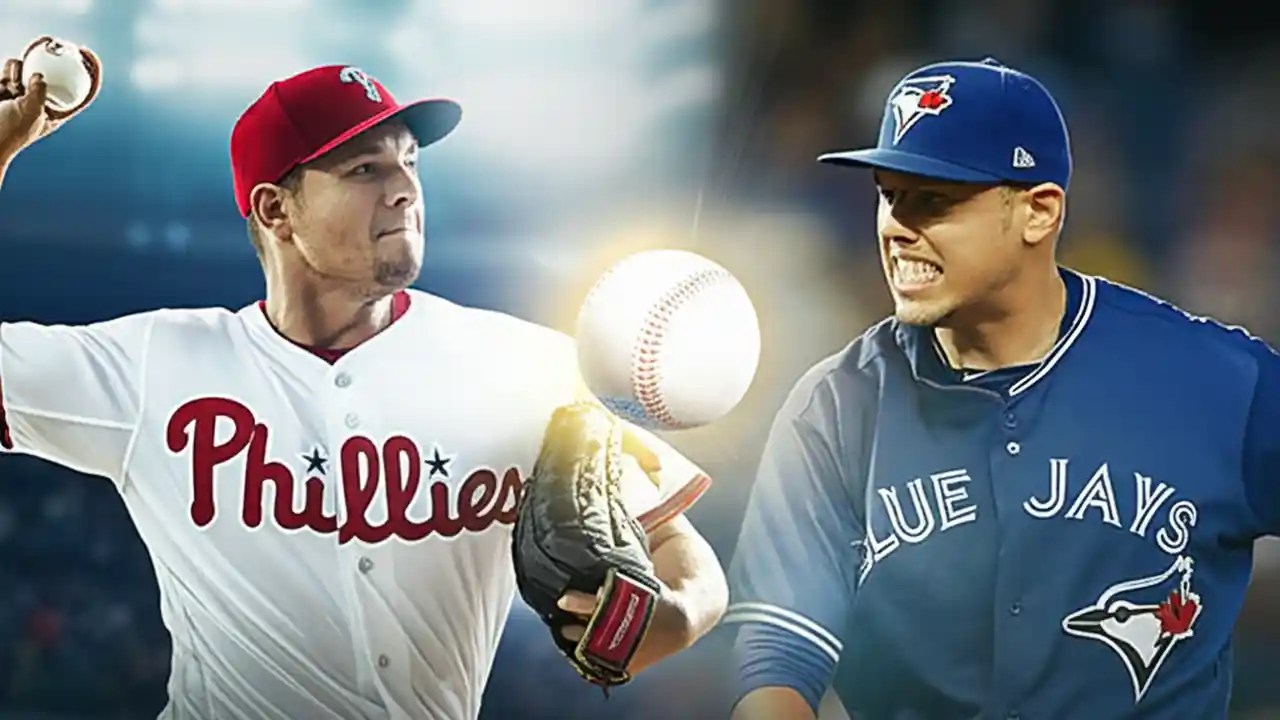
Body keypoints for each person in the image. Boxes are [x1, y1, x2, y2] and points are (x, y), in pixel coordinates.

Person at [0, 53, 728, 719]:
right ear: (275, 211)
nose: (405, 189)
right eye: (365, 170)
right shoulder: (157, 364)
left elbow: (678, 546)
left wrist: (680, 612)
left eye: (409, 162)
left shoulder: (525, 365)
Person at [722, 57, 1280, 720]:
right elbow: (778, 658)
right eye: (888, 194)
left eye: (934, 200)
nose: (897, 227)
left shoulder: (1211, 381)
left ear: (1039, 213)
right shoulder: (837, 408)